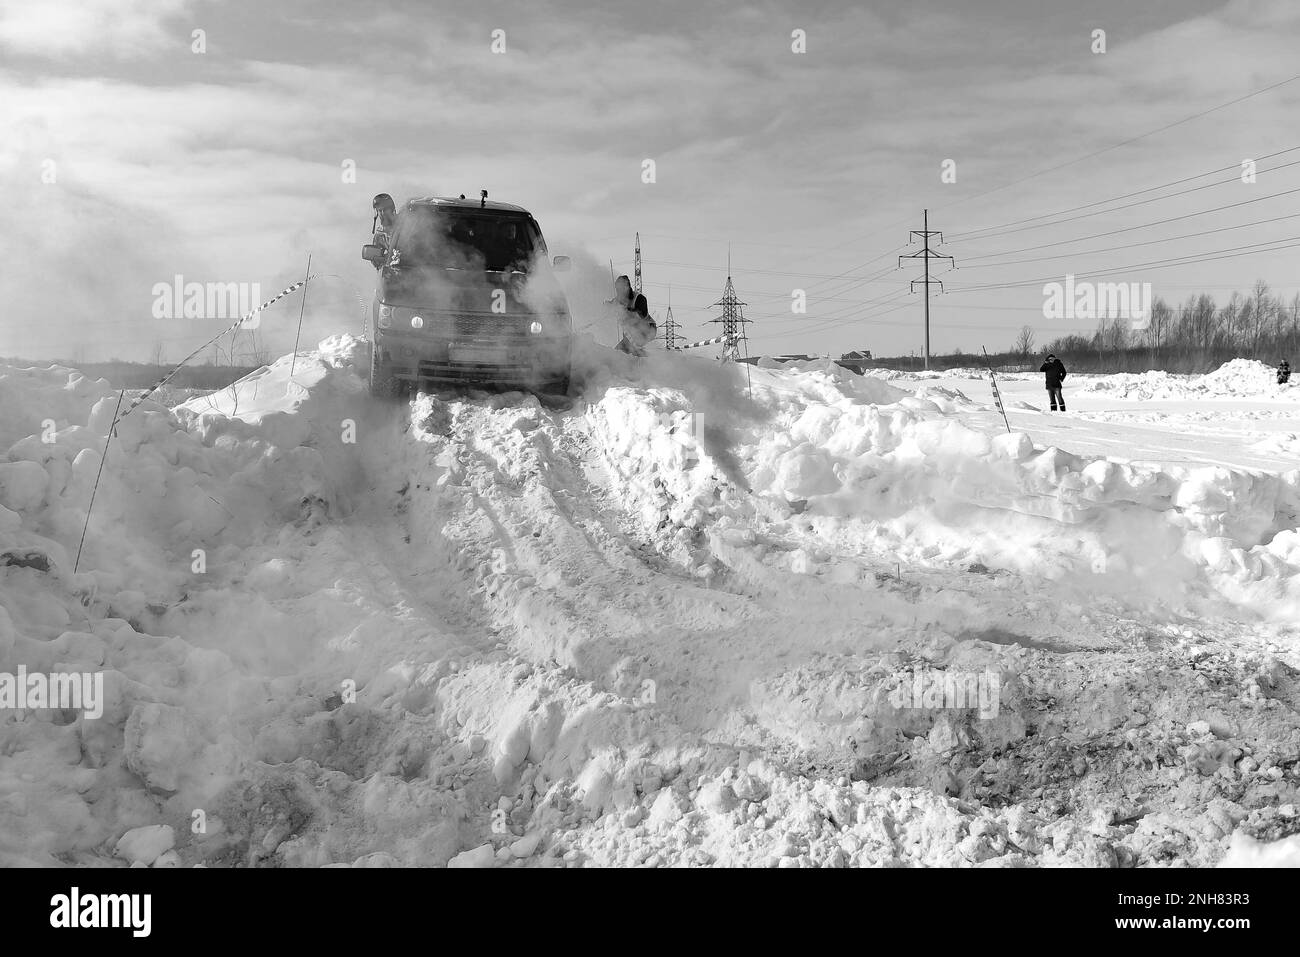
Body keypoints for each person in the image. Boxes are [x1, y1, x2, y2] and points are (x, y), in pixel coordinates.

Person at [609, 275, 657, 356]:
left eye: (621, 288)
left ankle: (649, 360)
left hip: (647, 329)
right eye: (617, 289)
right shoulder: (617, 301)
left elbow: (641, 315)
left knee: (630, 347)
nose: (619, 291)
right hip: (630, 335)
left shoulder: (639, 298)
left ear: (627, 287)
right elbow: (609, 307)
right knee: (618, 353)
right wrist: (607, 306)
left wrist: (625, 310)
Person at [370, 193, 397, 267]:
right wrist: (384, 259)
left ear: (392, 209)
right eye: (379, 210)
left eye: (385, 210)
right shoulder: (380, 235)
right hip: (393, 272)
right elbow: (376, 261)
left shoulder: (406, 225)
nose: (382, 213)